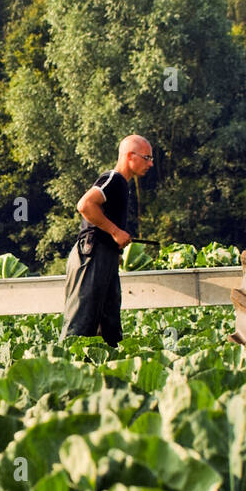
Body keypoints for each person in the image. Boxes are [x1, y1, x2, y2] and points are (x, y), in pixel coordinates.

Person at [61, 135, 153, 346]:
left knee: (110, 328)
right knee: (80, 326)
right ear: (130, 156)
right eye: (147, 157)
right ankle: (64, 372)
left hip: (105, 256)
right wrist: (115, 232)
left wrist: (115, 241)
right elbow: (85, 205)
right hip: (93, 255)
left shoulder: (122, 185)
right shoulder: (114, 178)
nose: (151, 163)